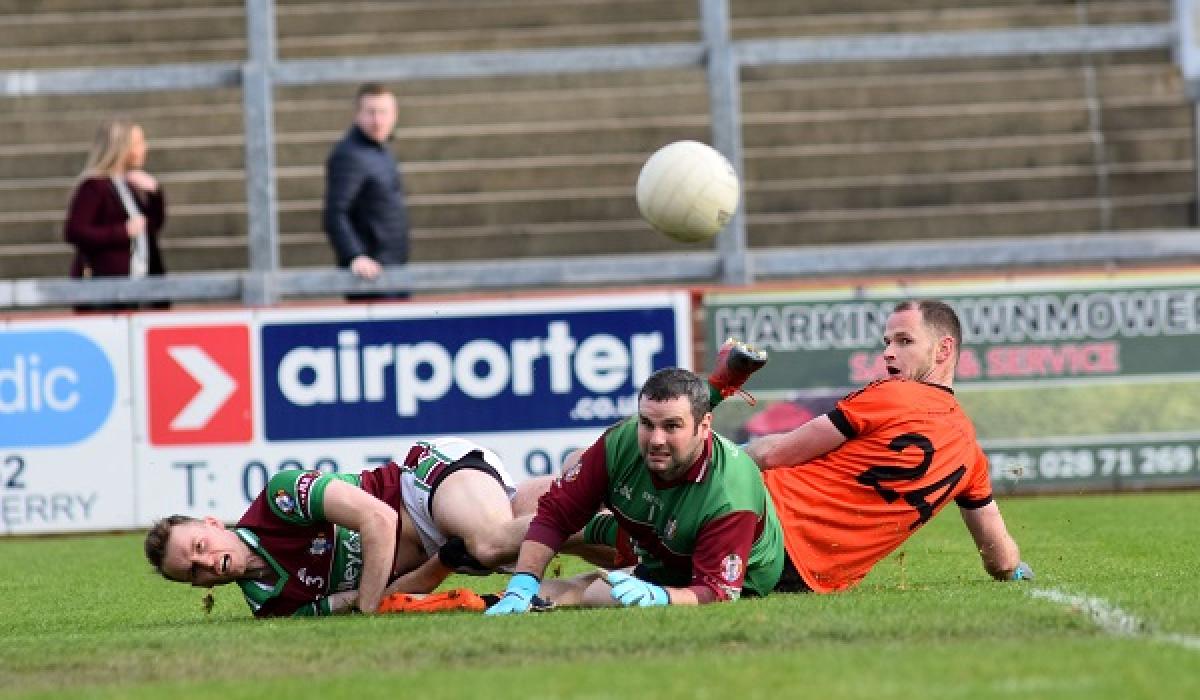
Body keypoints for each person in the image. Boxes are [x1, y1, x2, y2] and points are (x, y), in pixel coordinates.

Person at [747, 299, 1033, 593]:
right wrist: (1015, 569)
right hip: (802, 577)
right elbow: (1002, 561)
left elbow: (773, 455)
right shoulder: (971, 457)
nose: (888, 353)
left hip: (758, 518)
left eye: (904, 341)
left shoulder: (892, 395)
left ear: (943, 350)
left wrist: (726, 452)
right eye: (887, 343)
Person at [486, 353, 795, 615]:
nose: (656, 440)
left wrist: (660, 596)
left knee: (599, 594)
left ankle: (482, 561)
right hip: (655, 537)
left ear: (704, 427)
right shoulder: (622, 440)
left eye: (671, 426)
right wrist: (523, 582)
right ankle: (502, 585)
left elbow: (717, 591)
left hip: (734, 574)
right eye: (647, 423)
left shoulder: (730, 496)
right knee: (562, 479)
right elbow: (556, 514)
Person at [144, 437, 582, 617]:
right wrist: (443, 564)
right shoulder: (272, 606)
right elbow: (388, 593)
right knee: (579, 538)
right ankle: (591, 482)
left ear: (212, 523)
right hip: (443, 544)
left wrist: (369, 607)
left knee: (489, 543)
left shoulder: (279, 501)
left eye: (199, 546)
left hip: (423, 485)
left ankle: (594, 486)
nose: (207, 563)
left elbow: (380, 519)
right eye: (193, 571)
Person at [64, 117, 169, 311]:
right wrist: (122, 231)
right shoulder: (94, 187)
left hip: (139, 284)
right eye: (138, 143)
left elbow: (151, 227)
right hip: (107, 288)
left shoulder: (130, 184)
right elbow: (75, 231)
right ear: (121, 147)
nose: (144, 148)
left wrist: (155, 194)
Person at [323, 82, 410, 301]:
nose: (378, 120)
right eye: (371, 112)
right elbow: (335, 213)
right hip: (370, 277)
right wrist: (355, 256)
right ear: (357, 115)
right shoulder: (350, 155)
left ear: (395, 115)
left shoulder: (380, 150)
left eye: (383, 112)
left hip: (393, 270)